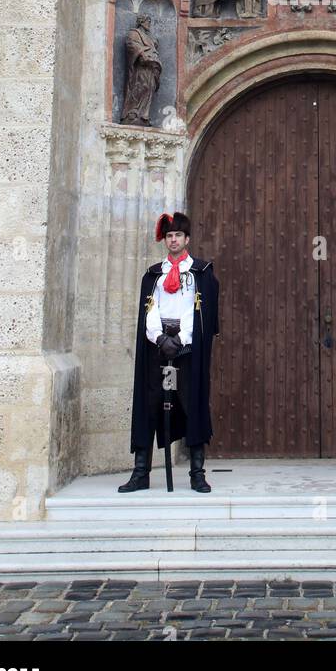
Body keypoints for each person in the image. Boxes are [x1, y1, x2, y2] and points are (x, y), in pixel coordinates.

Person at [119, 211, 219, 494]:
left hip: (187, 350)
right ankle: (141, 473)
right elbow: (150, 309)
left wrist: (182, 339)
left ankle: (197, 475)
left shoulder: (200, 273)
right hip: (157, 349)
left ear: (187, 239)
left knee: (191, 405)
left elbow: (196, 312)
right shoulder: (154, 275)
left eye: (178, 235)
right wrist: (160, 337)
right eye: (169, 236)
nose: (173, 240)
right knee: (149, 405)